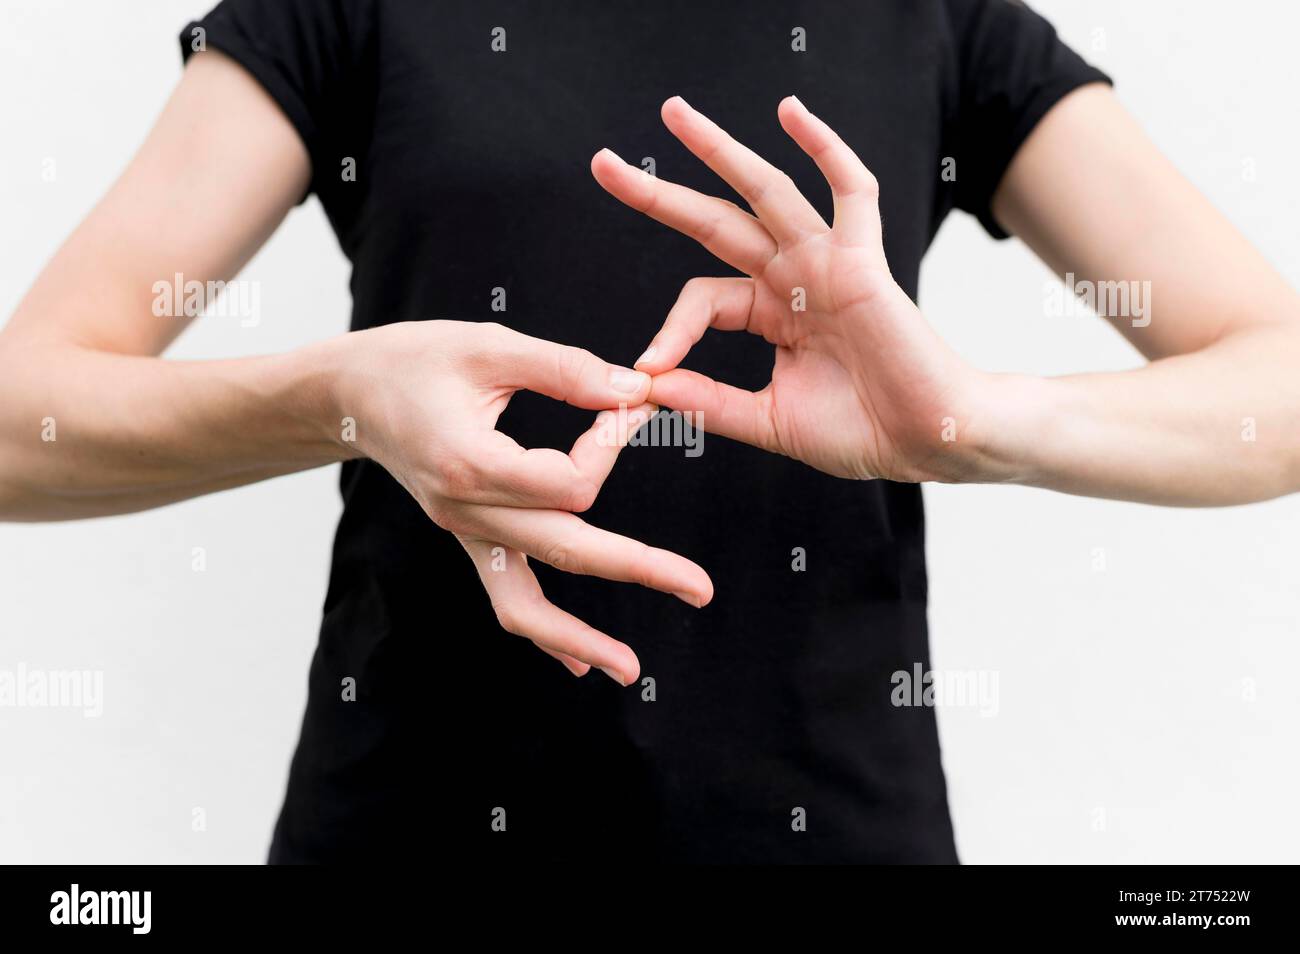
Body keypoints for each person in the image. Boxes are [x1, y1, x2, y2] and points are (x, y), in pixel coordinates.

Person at [2, 0, 1298, 864]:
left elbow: (1280, 390)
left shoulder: (937, 17)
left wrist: (974, 420)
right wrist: (340, 393)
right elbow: (20, 420)